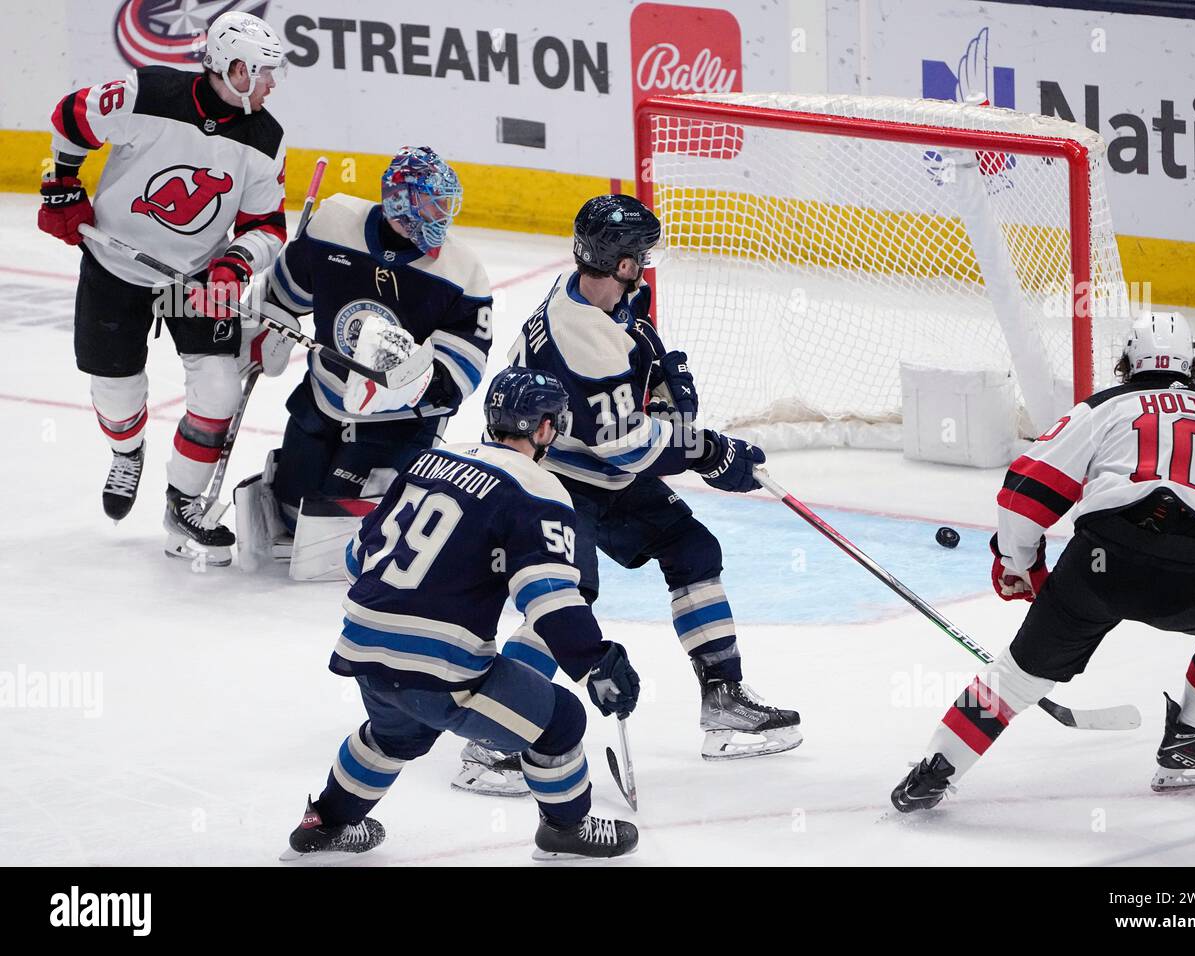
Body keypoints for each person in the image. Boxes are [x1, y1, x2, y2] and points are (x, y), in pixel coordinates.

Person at [892, 312, 1195, 812]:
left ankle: (933, 771)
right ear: (1193, 364)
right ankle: (1191, 740)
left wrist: (1020, 563)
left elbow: (1025, 495)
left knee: (1016, 676)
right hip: (1194, 578)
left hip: (1098, 564)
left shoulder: (1104, 407)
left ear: (1127, 364)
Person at [283, 368, 640, 861]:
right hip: (441, 671)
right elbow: (548, 596)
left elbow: (355, 559)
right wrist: (595, 661)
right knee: (561, 720)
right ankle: (565, 831)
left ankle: (324, 825)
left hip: (362, 649)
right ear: (543, 428)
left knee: (394, 735)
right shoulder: (539, 488)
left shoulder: (429, 461)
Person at [501, 193, 800, 765]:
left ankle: (724, 700)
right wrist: (707, 450)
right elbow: (627, 447)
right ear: (621, 262)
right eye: (640, 256)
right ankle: (497, 736)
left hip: (589, 469)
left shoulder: (592, 295)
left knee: (692, 549)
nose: (644, 266)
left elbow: (622, 402)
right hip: (551, 481)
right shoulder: (582, 336)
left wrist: (657, 383)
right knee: (565, 600)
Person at [37, 11, 288, 565]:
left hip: (193, 279)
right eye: (265, 71)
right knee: (115, 388)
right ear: (236, 69)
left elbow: (267, 227)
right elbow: (71, 116)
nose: (273, 83)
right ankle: (127, 452)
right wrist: (62, 183)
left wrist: (232, 268)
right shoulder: (148, 92)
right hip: (114, 266)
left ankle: (183, 502)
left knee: (219, 390)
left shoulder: (266, 139)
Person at [232, 146, 492, 577]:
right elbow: (285, 292)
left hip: (399, 420)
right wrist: (266, 327)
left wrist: (408, 384)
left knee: (351, 530)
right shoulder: (334, 225)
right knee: (293, 510)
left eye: (445, 203)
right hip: (324, 398)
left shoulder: (462, 271)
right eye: (432, 204)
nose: (443, 215)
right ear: (399, 203)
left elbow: (463, 366)